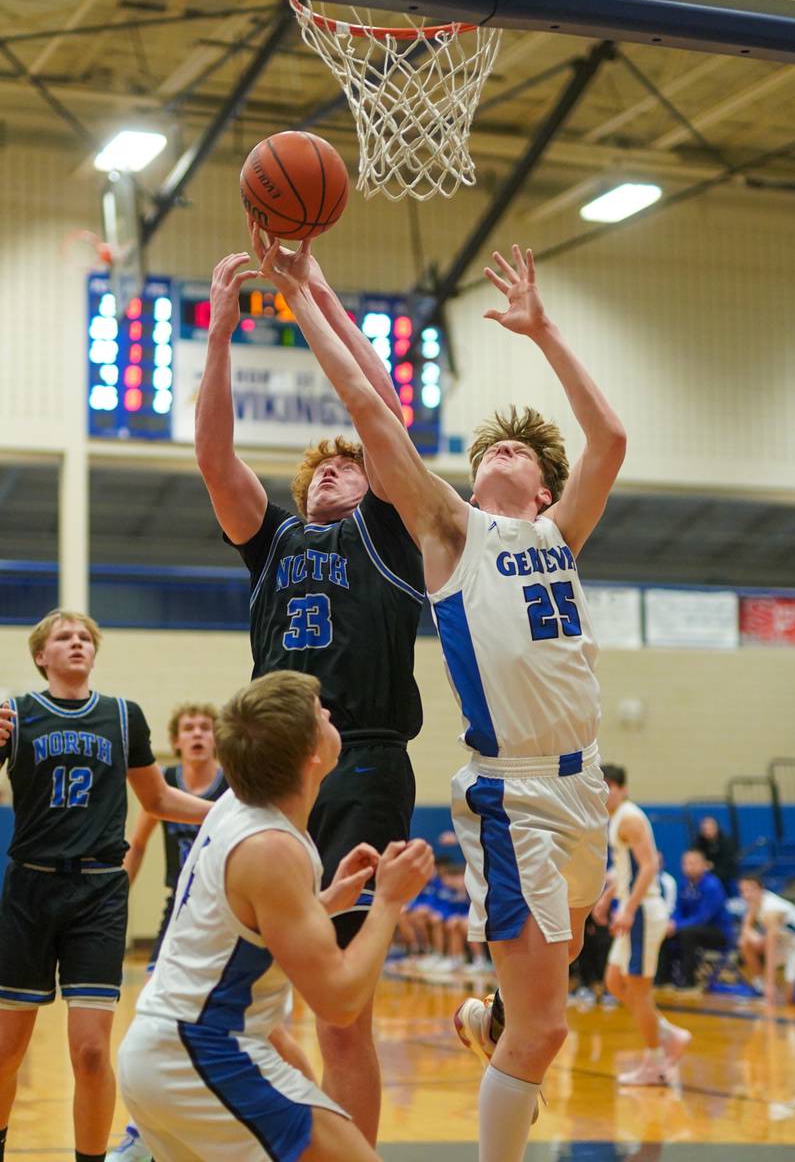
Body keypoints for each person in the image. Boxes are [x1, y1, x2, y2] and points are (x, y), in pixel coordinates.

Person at [256, 237, 624, 1161]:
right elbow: (369, 410)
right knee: (549, 1032)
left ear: (543, 486)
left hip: (588, 797)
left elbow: (610, 440)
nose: (497, 450)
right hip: (517, 794)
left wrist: (544, 332)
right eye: (487, 445)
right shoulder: (451, 527)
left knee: (534, 1012)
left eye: (517, 450)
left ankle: (489, 1023)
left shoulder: (562, 533)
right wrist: (305, 297)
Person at [194, 233, 425, 1143]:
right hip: (271, 775)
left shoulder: (387, 535)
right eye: (319, 468)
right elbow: (216, 458)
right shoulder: (275, 543)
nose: (332, 468)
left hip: (361, 766)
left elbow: (383, 415)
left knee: (342, 1012)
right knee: (248, 992)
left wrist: (316, 292)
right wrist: (218, 332)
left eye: (348, 464)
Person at [117, 670, 434, 1162]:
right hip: (203, 1057)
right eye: (320, 715)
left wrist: (327, 901)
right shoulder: (273, 846)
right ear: (312, 754)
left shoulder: (237, 809)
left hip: (170, 1050)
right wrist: (389, 900)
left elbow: (244, 925)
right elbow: (340, 1002)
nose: (330, 714)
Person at [0, 610, 212, 1162]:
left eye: (85, 638)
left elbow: (159, 800)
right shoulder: (15, 716)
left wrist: (230, 811)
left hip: (98, 892)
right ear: (41, 656)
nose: (77, 643)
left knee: (93, 1052)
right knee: (4, 1052)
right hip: (30, 889)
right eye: (63, 637)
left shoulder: (123, 717)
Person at [108, 702, 229, 1162]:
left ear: (216, 738)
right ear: (175, 741)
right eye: (188, 728)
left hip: (225, 913)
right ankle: (142, 1132)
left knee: (232, 1026)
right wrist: (114, 899)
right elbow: (136, 845)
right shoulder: (165, 786)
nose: (198, 734)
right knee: (157, 1017)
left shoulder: (232, 783)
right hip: (178, 912)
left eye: (205, 726)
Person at [594, 765, 691, 1086]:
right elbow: (627, 870)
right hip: (632, 907)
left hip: (644, 912)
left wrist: (629, 910)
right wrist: (609, 898)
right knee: (614, 982)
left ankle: (656, 1063)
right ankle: (669, 1035)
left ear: (616, 786)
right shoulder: (618, 817)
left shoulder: (631, 818)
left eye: (603, 785)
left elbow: (649, 867)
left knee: (637, 988)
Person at [661, 848, 732, 990]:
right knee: (663, 932)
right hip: (691, 928)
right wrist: (672, 923)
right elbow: (678, 909)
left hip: (717, 932)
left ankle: (689, 983)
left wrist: (678, 926)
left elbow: (703, 917)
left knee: (687, 934)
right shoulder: (684, 884)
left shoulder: (712, 885)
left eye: (693, 863)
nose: (688, 866)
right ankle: (664, 980)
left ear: (704, 865)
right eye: (685, 863)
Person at [738, 874, 795, 1005]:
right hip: (785, 945)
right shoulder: (754, 904)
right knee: (745, 944)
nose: (746, 895)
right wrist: (751, 934)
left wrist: (770, 984)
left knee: (791, 999)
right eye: (743, 891)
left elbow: (770, 951)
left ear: (761, 889)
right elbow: (745, 930)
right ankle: (760, 986)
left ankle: (770, 988)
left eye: (750, 890)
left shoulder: (772, 909)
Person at [693, 816, 738, 892]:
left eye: (710, 829)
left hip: (724, 875)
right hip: (704, 874)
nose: (707, 832)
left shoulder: (726, 842)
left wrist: (712, 866)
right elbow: (696, 856)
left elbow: (728, 862)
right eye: (705, 829)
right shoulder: (699, 842)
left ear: (716, 828)